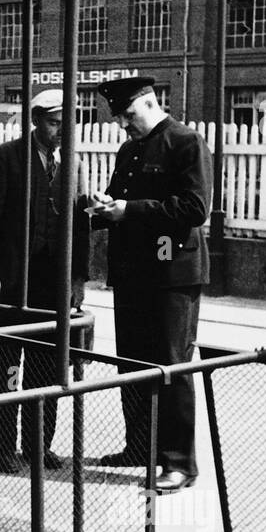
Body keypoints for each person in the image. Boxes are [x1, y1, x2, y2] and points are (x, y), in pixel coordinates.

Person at [90, 76, 211, 495]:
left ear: (150, 102)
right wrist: (104, 207)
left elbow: (195, 208)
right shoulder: (130, 149)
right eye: (119, 117)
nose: (124, 124)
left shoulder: (186, 142)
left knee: (171, 364)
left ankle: (179, 463)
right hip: (133, 273)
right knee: (133, 362)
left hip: (171, 274)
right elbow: (119, 198)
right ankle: (140, 446)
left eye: (128, 114)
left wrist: (131, 210)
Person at [0, 89, 90, 472]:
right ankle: (2, 445)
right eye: (55, 123)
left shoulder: (74, 163)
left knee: (45, 366)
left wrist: (78, 279)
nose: (62, 131)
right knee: (5, 364)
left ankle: (38, 445)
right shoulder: (8, 157)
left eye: (68, 123)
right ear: (36, 120)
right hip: (11, 279)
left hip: (51, 285)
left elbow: (81, 225)